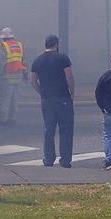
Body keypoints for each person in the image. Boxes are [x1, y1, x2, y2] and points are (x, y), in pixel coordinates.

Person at [30, 34, 74, 168]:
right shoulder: (63, 58)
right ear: (56, 44)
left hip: (47, 99)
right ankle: (65, 161)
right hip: (63, 98)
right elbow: (70, 77)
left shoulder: (37, 60)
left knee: (49, 130)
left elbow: (32, 80)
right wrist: (72, 93)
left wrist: (41, 92)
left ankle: (48, 159)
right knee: (66, 130)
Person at [0, 27, 28, 125]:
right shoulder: (19, 46)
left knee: (5, 99)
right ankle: (12, 118)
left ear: (3, 38)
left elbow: (0, 64)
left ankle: (3, 119)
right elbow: (24, 61)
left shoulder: (4, 47)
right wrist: (25, 74)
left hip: (6, 78)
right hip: (18, 77)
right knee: (14, 99)